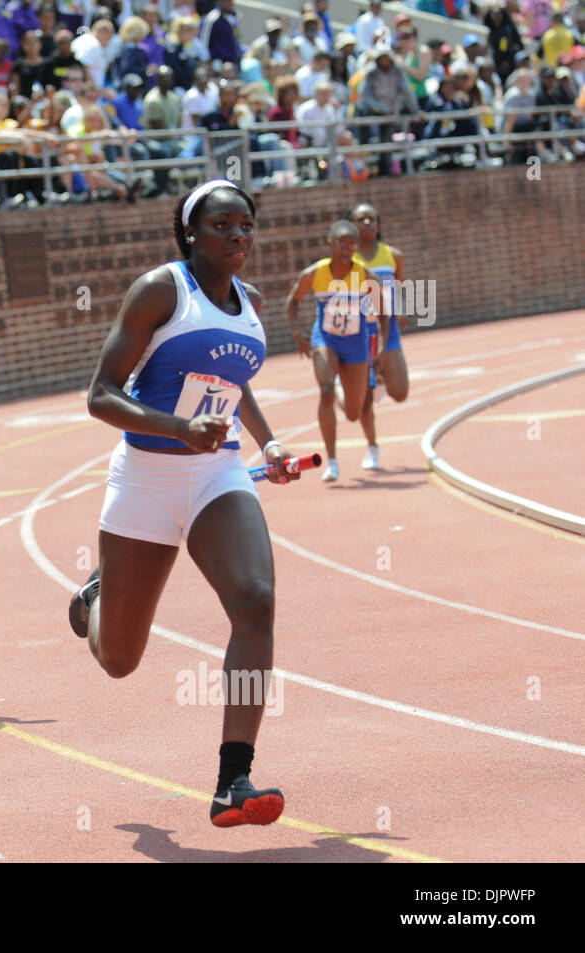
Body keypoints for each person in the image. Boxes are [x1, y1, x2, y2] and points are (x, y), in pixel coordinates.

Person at [68, 180, 297, 829]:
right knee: (119, 658)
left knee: (255, 599)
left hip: (215, 475)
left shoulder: (249, 301)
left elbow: (234, 384)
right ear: (191, 232)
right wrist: (177, 427)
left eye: (246, 225)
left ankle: (234, 778)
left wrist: (268, 441)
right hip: (145, 476)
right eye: (222, 224)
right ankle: (95, 599)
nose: (237, 237)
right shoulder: (161, 290)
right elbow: (100, 395)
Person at [285, 218, 380, 483]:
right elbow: (292, 301)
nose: (346, 249)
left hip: (356, 342)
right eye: (342, 243)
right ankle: (333, 461)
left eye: (352, 244)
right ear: (331, 243)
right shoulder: (315, 273)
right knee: (325, 390)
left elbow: (382, 309)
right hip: (326, 339)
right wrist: (297, 333)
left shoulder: (364, 274)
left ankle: (373, 445)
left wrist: (379, 343)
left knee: (354, 411)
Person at [347, 202, 408, 470]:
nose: (368, 224)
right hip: (359, 332)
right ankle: (372, 447)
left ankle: (380, 379)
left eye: (372, 219)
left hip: (387, 327)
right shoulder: (347, 258)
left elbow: (400, 284)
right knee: (364, 399)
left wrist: (402, 308)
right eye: (361, 220)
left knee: (400, 392)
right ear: (352, 225)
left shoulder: (393, 255)